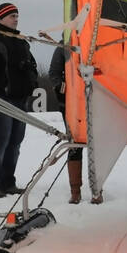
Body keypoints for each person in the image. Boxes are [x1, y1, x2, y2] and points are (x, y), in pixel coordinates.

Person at [0, 3, 39, 198]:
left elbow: (32, 64)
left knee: (15, 141)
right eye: (12, 16)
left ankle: (7, 181)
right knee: (1, 139)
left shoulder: (20, 40)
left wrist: (30, 80)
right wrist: (1, 87)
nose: (16, 19)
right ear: (1, 17)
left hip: (20, 98)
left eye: (17, 15)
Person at [48, 34, 86, 203]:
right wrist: (62, 88)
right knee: (75, 144)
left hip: (93, 102)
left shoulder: (92, 44)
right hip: (71, 105)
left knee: (96, 146)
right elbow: (54, 73)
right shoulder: (64, 47)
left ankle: (97, 188)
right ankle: (75, 190)